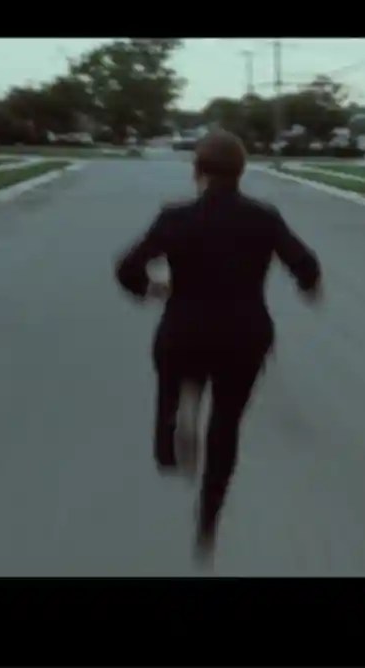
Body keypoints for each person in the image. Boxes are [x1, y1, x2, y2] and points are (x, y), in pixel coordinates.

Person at [115, 130, 322, 562]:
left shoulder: (174, 218)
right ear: (241, 172)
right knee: (226, 426)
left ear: (198, 172)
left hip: (185, 328)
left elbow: (128, 268)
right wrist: (309, 286)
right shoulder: (264, 218)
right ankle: (207, 521)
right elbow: (305, 265)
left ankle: (172, 430)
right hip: (244, 334)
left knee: (173, 372)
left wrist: (153, 290)